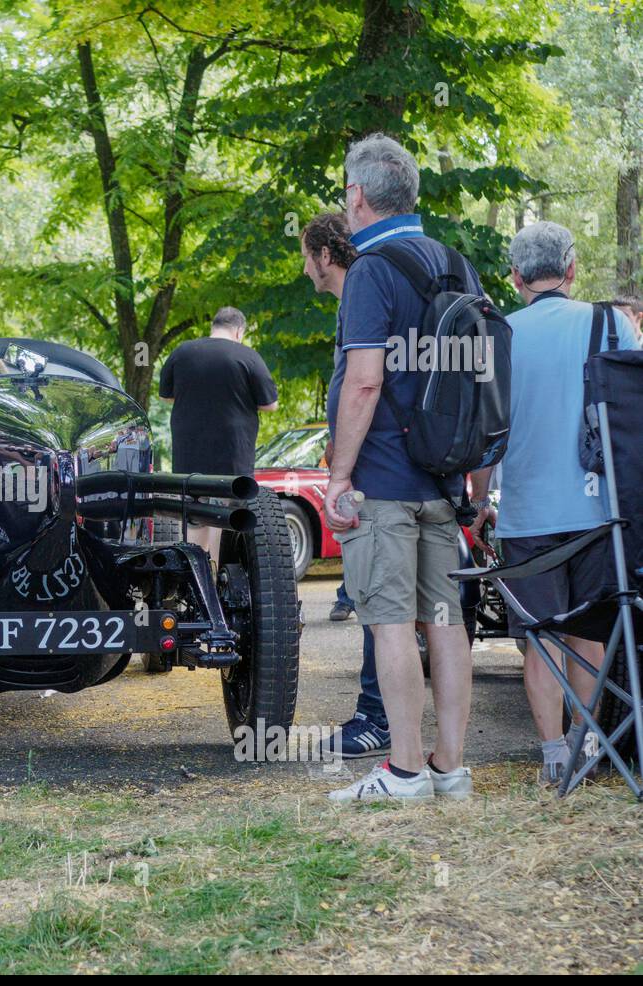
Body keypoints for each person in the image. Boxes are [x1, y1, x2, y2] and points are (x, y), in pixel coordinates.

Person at [324, 133, 480, 803]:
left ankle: (406, 770)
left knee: (390, 621)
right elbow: (481, 383)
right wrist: (478, 479)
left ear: (357, 196)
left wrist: (339, 476)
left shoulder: (371, 270)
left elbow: (363, 382)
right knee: (445, 621)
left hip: (385, 483)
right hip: (444, 481)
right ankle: (450, 767)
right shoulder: (456, 266)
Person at [470, 222, 632, 786]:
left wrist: (475, 500)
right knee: (589, 634)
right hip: (599, 515)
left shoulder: (499, 340)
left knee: (540, 639)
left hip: (526, 518)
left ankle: (553, 755)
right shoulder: (612, 323)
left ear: (515, 278)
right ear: (571, 268)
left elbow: (485, 437)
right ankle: (587, 745)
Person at [300, 212, 391, 759]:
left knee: (377, 602)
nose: (304, 268)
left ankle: (376, 720)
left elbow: (365, 381)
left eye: (306, 256)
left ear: (324, 256)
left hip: (374, 478)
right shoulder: (355, 299)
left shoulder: (361, 294)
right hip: (374, 469)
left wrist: (342, 472)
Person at [158, 306, 278, 563]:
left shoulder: (182, 352)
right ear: (239, 330)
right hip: (233, 447)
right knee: (227, 509)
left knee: (193, 510)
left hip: (189, 446)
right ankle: (220, 575)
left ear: (214, 325)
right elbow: (270, 404)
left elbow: (166, 395)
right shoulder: (247, 356)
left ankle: (192, 575)